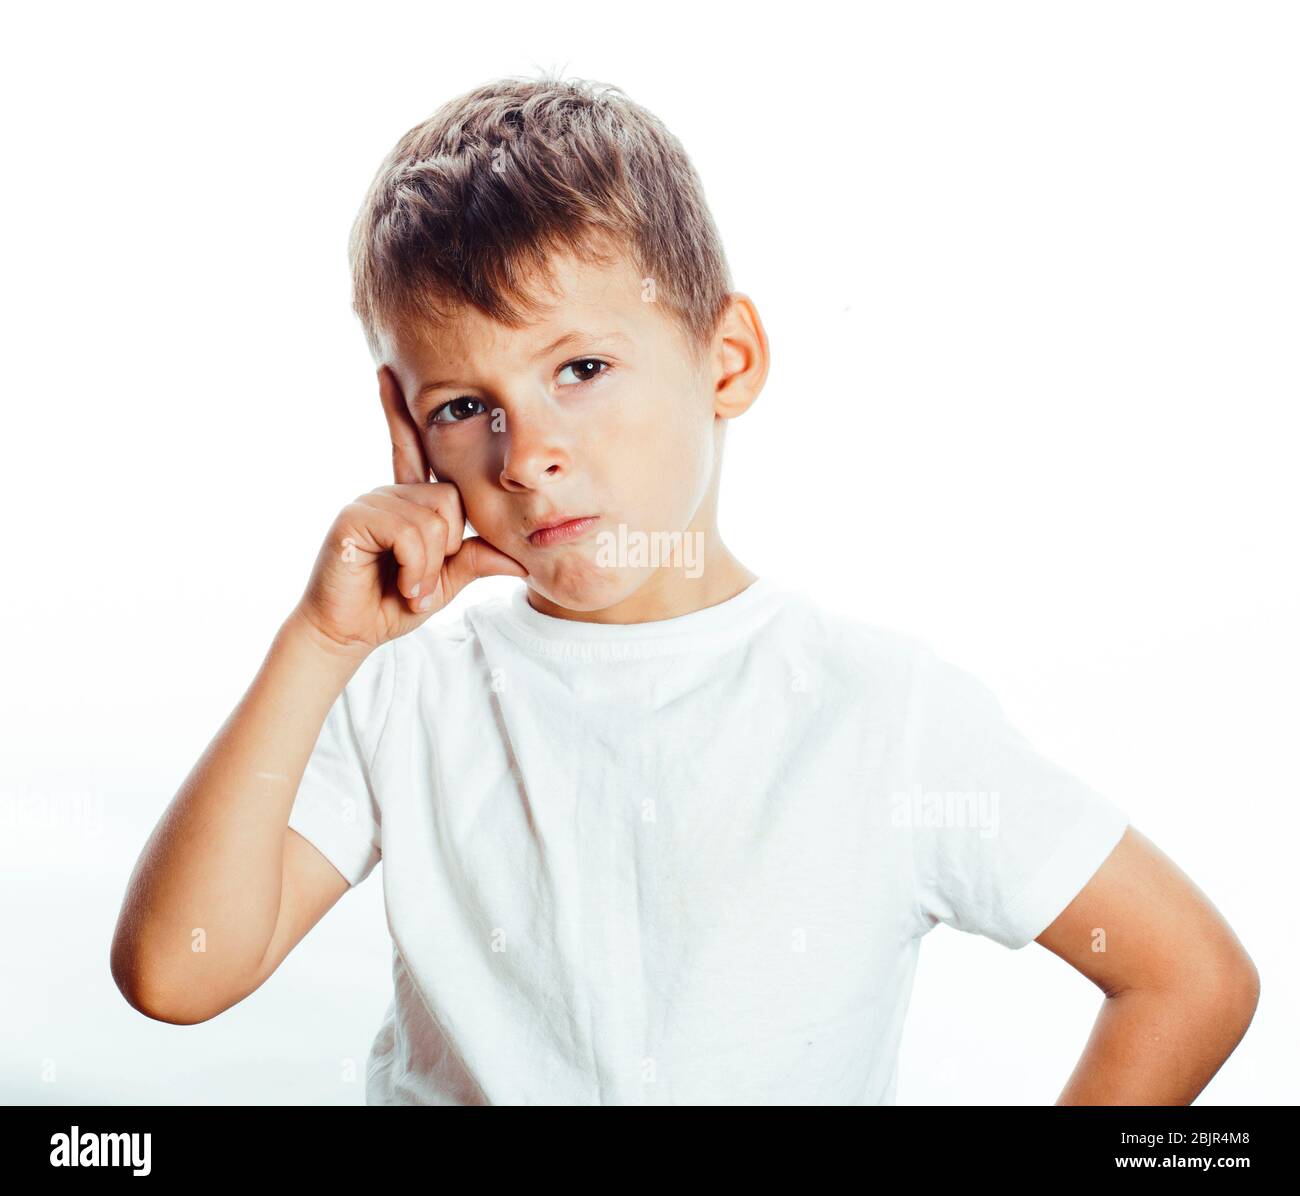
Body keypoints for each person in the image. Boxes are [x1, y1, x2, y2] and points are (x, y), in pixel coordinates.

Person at [110, 73, 1259, 1105]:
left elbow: (1185, 977)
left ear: (729, 359)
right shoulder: (402, 695)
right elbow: (176, 970)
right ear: (404, 427)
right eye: (465, 405)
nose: (526, 451)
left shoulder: (879, 713)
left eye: (582, 369)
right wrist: (318, 641)